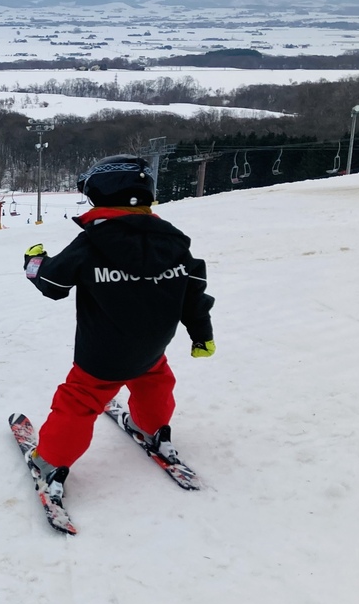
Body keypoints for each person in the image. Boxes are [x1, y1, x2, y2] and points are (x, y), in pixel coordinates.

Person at [21, 154, 216, 500]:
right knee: (154, 381)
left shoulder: (93, 243)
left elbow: (52, 284)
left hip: (101, 356)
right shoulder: (174, 243)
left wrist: (34, 262)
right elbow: (194, 290)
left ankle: (50, 461)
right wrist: (202, 336)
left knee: (80, 401)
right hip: (151, 349)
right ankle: (153, 426)